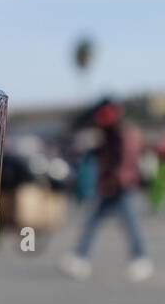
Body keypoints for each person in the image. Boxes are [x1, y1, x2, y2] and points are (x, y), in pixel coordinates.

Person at [58, 99, 153, 282]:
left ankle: (141, 259)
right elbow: (105, 156)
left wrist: (116, 180)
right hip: (110, 186)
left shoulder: (125, 134)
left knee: (130, 224)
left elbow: (127, 160)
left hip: (122, 187)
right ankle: (80, 257)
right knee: (93, 222)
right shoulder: (108, 134)